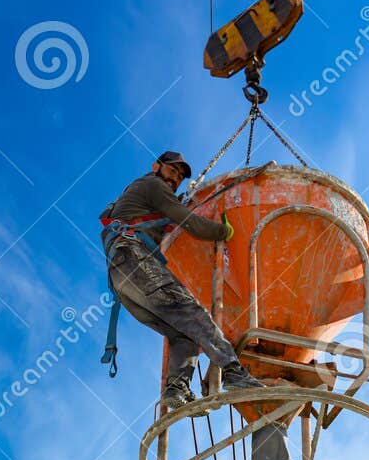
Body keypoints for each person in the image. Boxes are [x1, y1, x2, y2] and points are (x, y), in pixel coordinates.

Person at [99, 150, 264, 406]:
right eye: (171, 170)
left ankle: (176, 389)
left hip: (124, 279)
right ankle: (233, 370)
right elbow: (189, 222)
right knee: (192, 312)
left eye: (179, 175)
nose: (175, 178)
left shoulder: (142, 195)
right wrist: (222, 231)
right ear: (156, 166)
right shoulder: (153, 184)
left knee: (184, 334)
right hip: (134, 259)